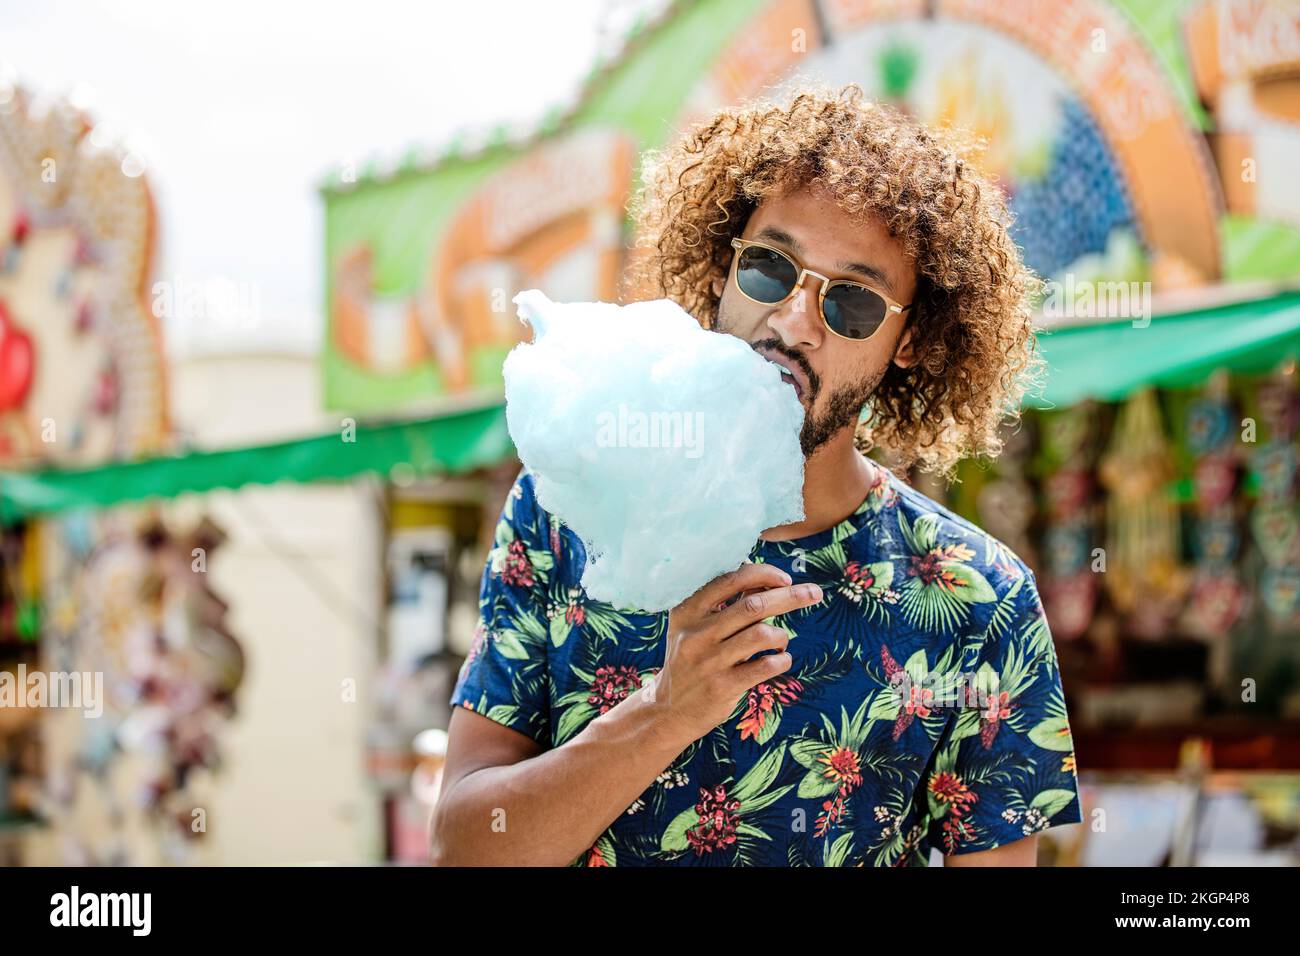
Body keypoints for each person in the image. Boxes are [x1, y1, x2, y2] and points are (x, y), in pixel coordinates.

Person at [430, 83, 1083, 867]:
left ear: (913, 342)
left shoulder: (978, 600)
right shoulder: (563, 512)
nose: (794, 321)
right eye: (772, 268)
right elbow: (463, 848)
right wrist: (662, 713)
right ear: (723, 268)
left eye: (853, 302)